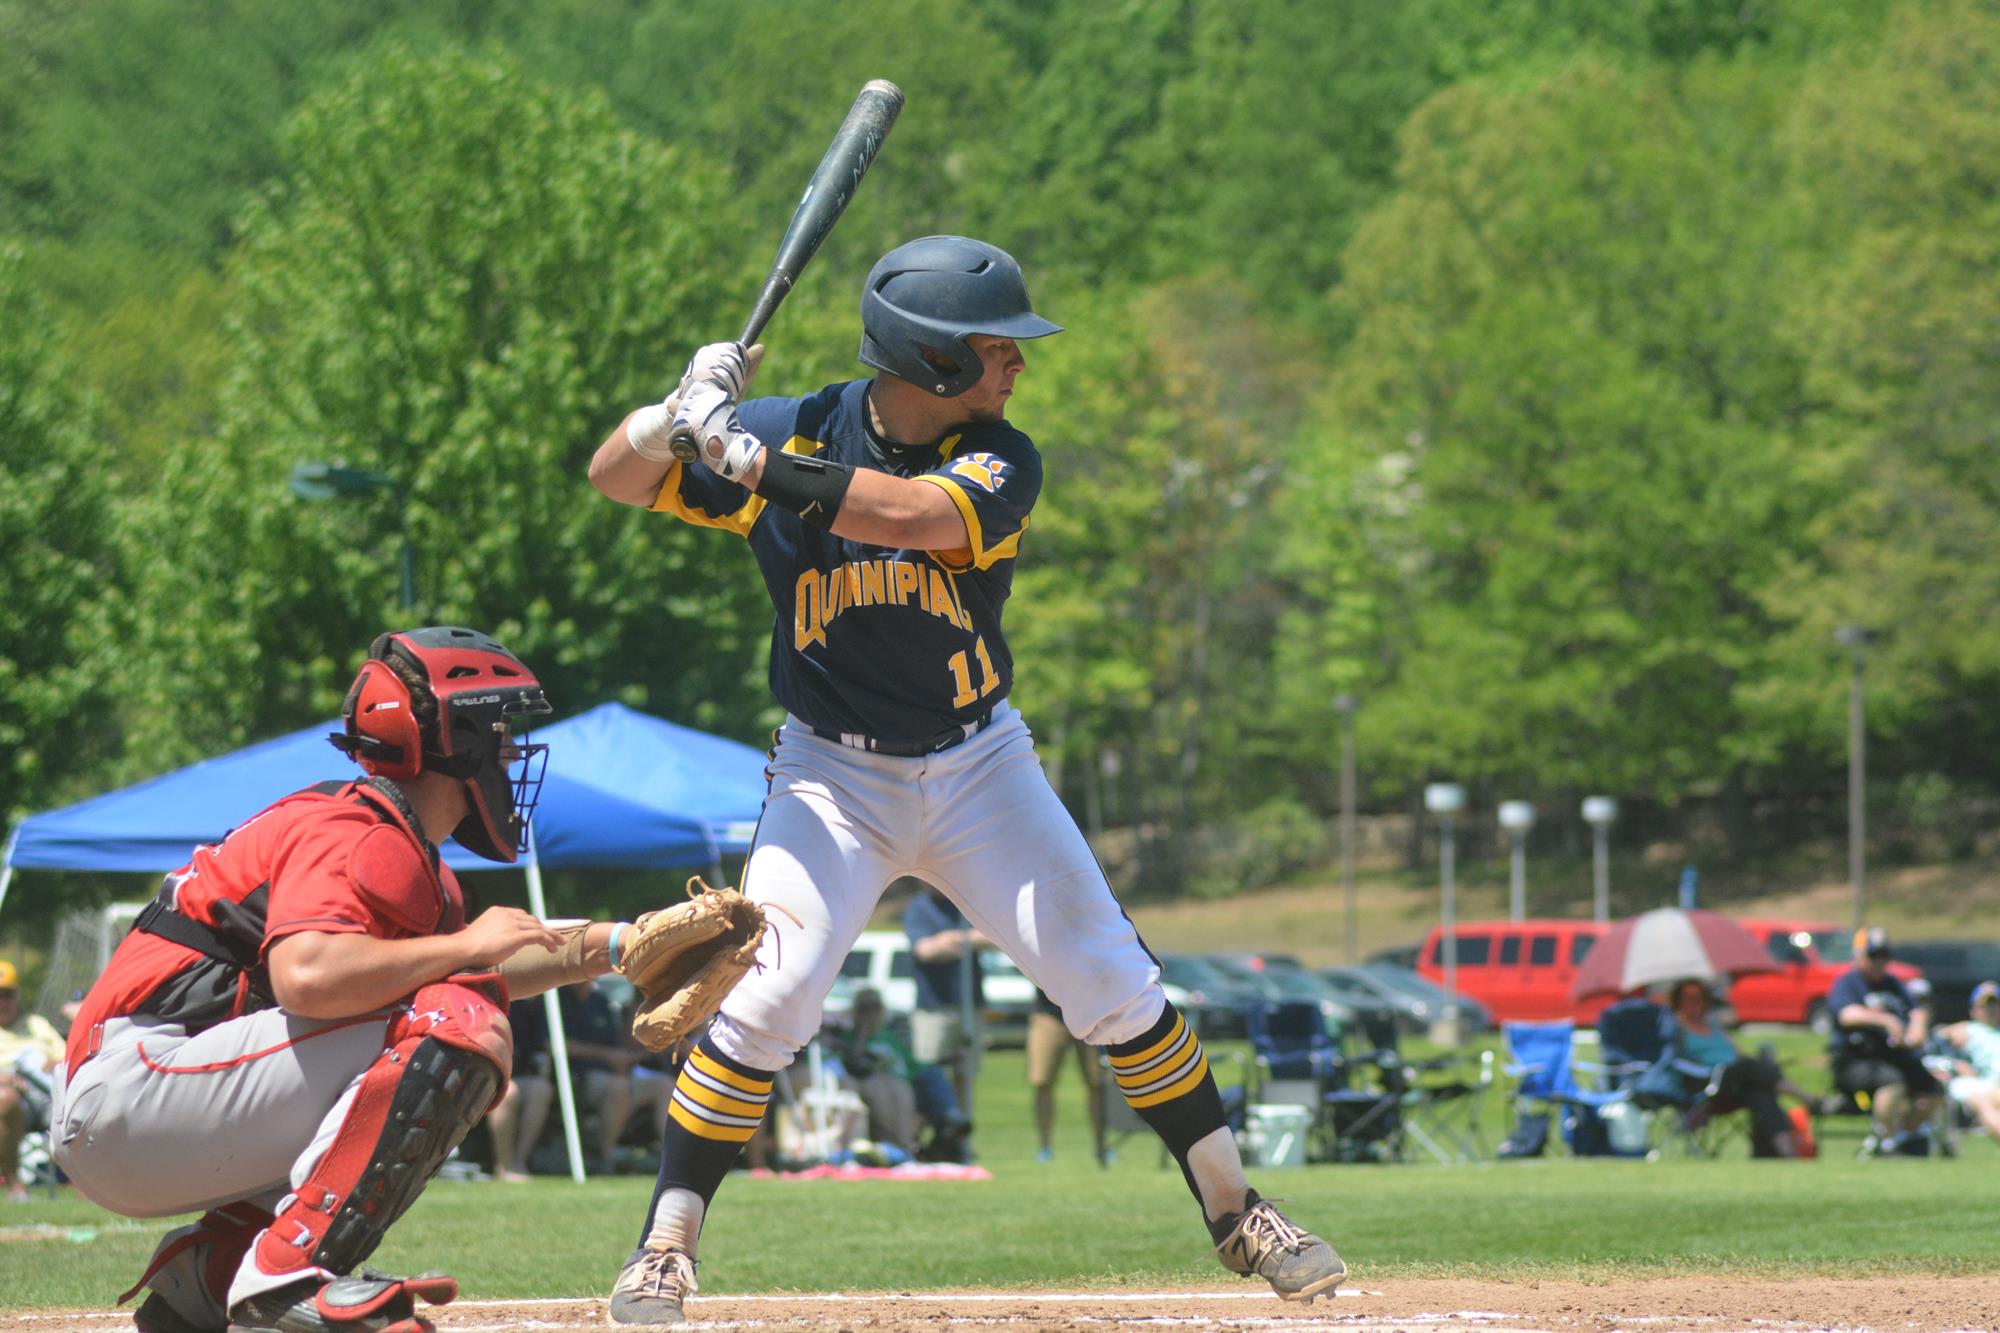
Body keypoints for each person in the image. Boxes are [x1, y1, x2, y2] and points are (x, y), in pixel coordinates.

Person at [587, 235, 1344, 1324]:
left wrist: (741, 458)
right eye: (997, 350)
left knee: (1110, 981)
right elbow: (615, 475)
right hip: (827, 778)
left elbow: (905, 517)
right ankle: (664, 1246)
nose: (1016, 367)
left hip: (978, 761)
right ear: (931, 360)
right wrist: (676, 415)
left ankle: (1237, 1210)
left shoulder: (999, 459)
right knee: (766, 998)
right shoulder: (790, 424)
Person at [50, 627, 646, 1333]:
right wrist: (462, 947)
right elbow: (306, 976)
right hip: (132, 1089)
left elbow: (483, 958)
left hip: (140, 1106)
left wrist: (626, 942)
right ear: (452, 737)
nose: (513, 750)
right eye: (500, 727)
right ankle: (286, 1278)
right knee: (455, 1016)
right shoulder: (356, 829)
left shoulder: (390, 839)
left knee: (449, 1001)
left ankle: (211, 1273)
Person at [1827, 927, 1943, 1156]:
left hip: (1894, 1055)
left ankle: (1898, 1139)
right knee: (1892, 1081)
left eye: (1884, 955)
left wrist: (1918, 1028)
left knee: (1933, 1090)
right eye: (1872, 955)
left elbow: (1917, 1011)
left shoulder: (1893, 983)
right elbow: (1846, 1015)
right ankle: (1884, 1138)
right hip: (1855, 1060)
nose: (1879, 962)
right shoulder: (1849, 983)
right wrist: (1886, 1020)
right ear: (1858, 956)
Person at [506, 977, 641, 1174]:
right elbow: (551, 1044)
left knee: (660, 1085)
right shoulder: (555, 1000)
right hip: (572, 1076)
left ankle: (608, 1158)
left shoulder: (600, 1001)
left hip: (606, 1074)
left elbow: (617, 1048)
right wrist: (606, 1056)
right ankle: (514, 1164)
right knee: (617, 1087)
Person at [1665, 980, 1810, 1158]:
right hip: (1707, 1083)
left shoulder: (1714, 1027)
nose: (1696, 1003)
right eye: (1689, 998)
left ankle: (1786, 1153)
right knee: (1750, 1068)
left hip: (1737, 1082)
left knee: (1761, 1095)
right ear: (1678, 1001)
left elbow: (1738, 1053)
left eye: (1700, 998)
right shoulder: (1674, 1029)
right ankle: (1808, 1099)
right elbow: (1673, 1061)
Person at [902, 884, 986, 1114]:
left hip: (969, 1004)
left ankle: (961, 1134)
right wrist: (965, 942)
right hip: (933, 1007)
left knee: (965, 1073)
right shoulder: (919, 908)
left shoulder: (966, 905)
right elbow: (925, 950)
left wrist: (951, 940)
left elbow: (993, 937)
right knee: (928, 1071)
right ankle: (929, 1130)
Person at [0, 959, 65, 1200]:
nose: (3, 1002)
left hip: (51, 1097)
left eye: (7, 995)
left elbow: (67, 1057)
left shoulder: (37, 1024)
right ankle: (15, 1186)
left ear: (17, 996)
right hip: (14, 1105)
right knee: (4, 1098)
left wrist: (56, 1063)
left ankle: (90, 1188)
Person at [1027, 986, 1104, 1164]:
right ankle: (1044, 1147)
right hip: (1047, 1014)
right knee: (1042, 1081)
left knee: (1097, 1082)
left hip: (1090, 1014)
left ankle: (1102, 1146)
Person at [1935, 980, 2000, 1145]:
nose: (1991, 1010)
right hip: (1988, 1083)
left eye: (1995, 1005)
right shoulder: (1969, 1029)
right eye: (1985, 1005)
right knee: (1982, 1102)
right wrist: (1956, 1064)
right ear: (1973, 1010)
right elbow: (1935, 1040)